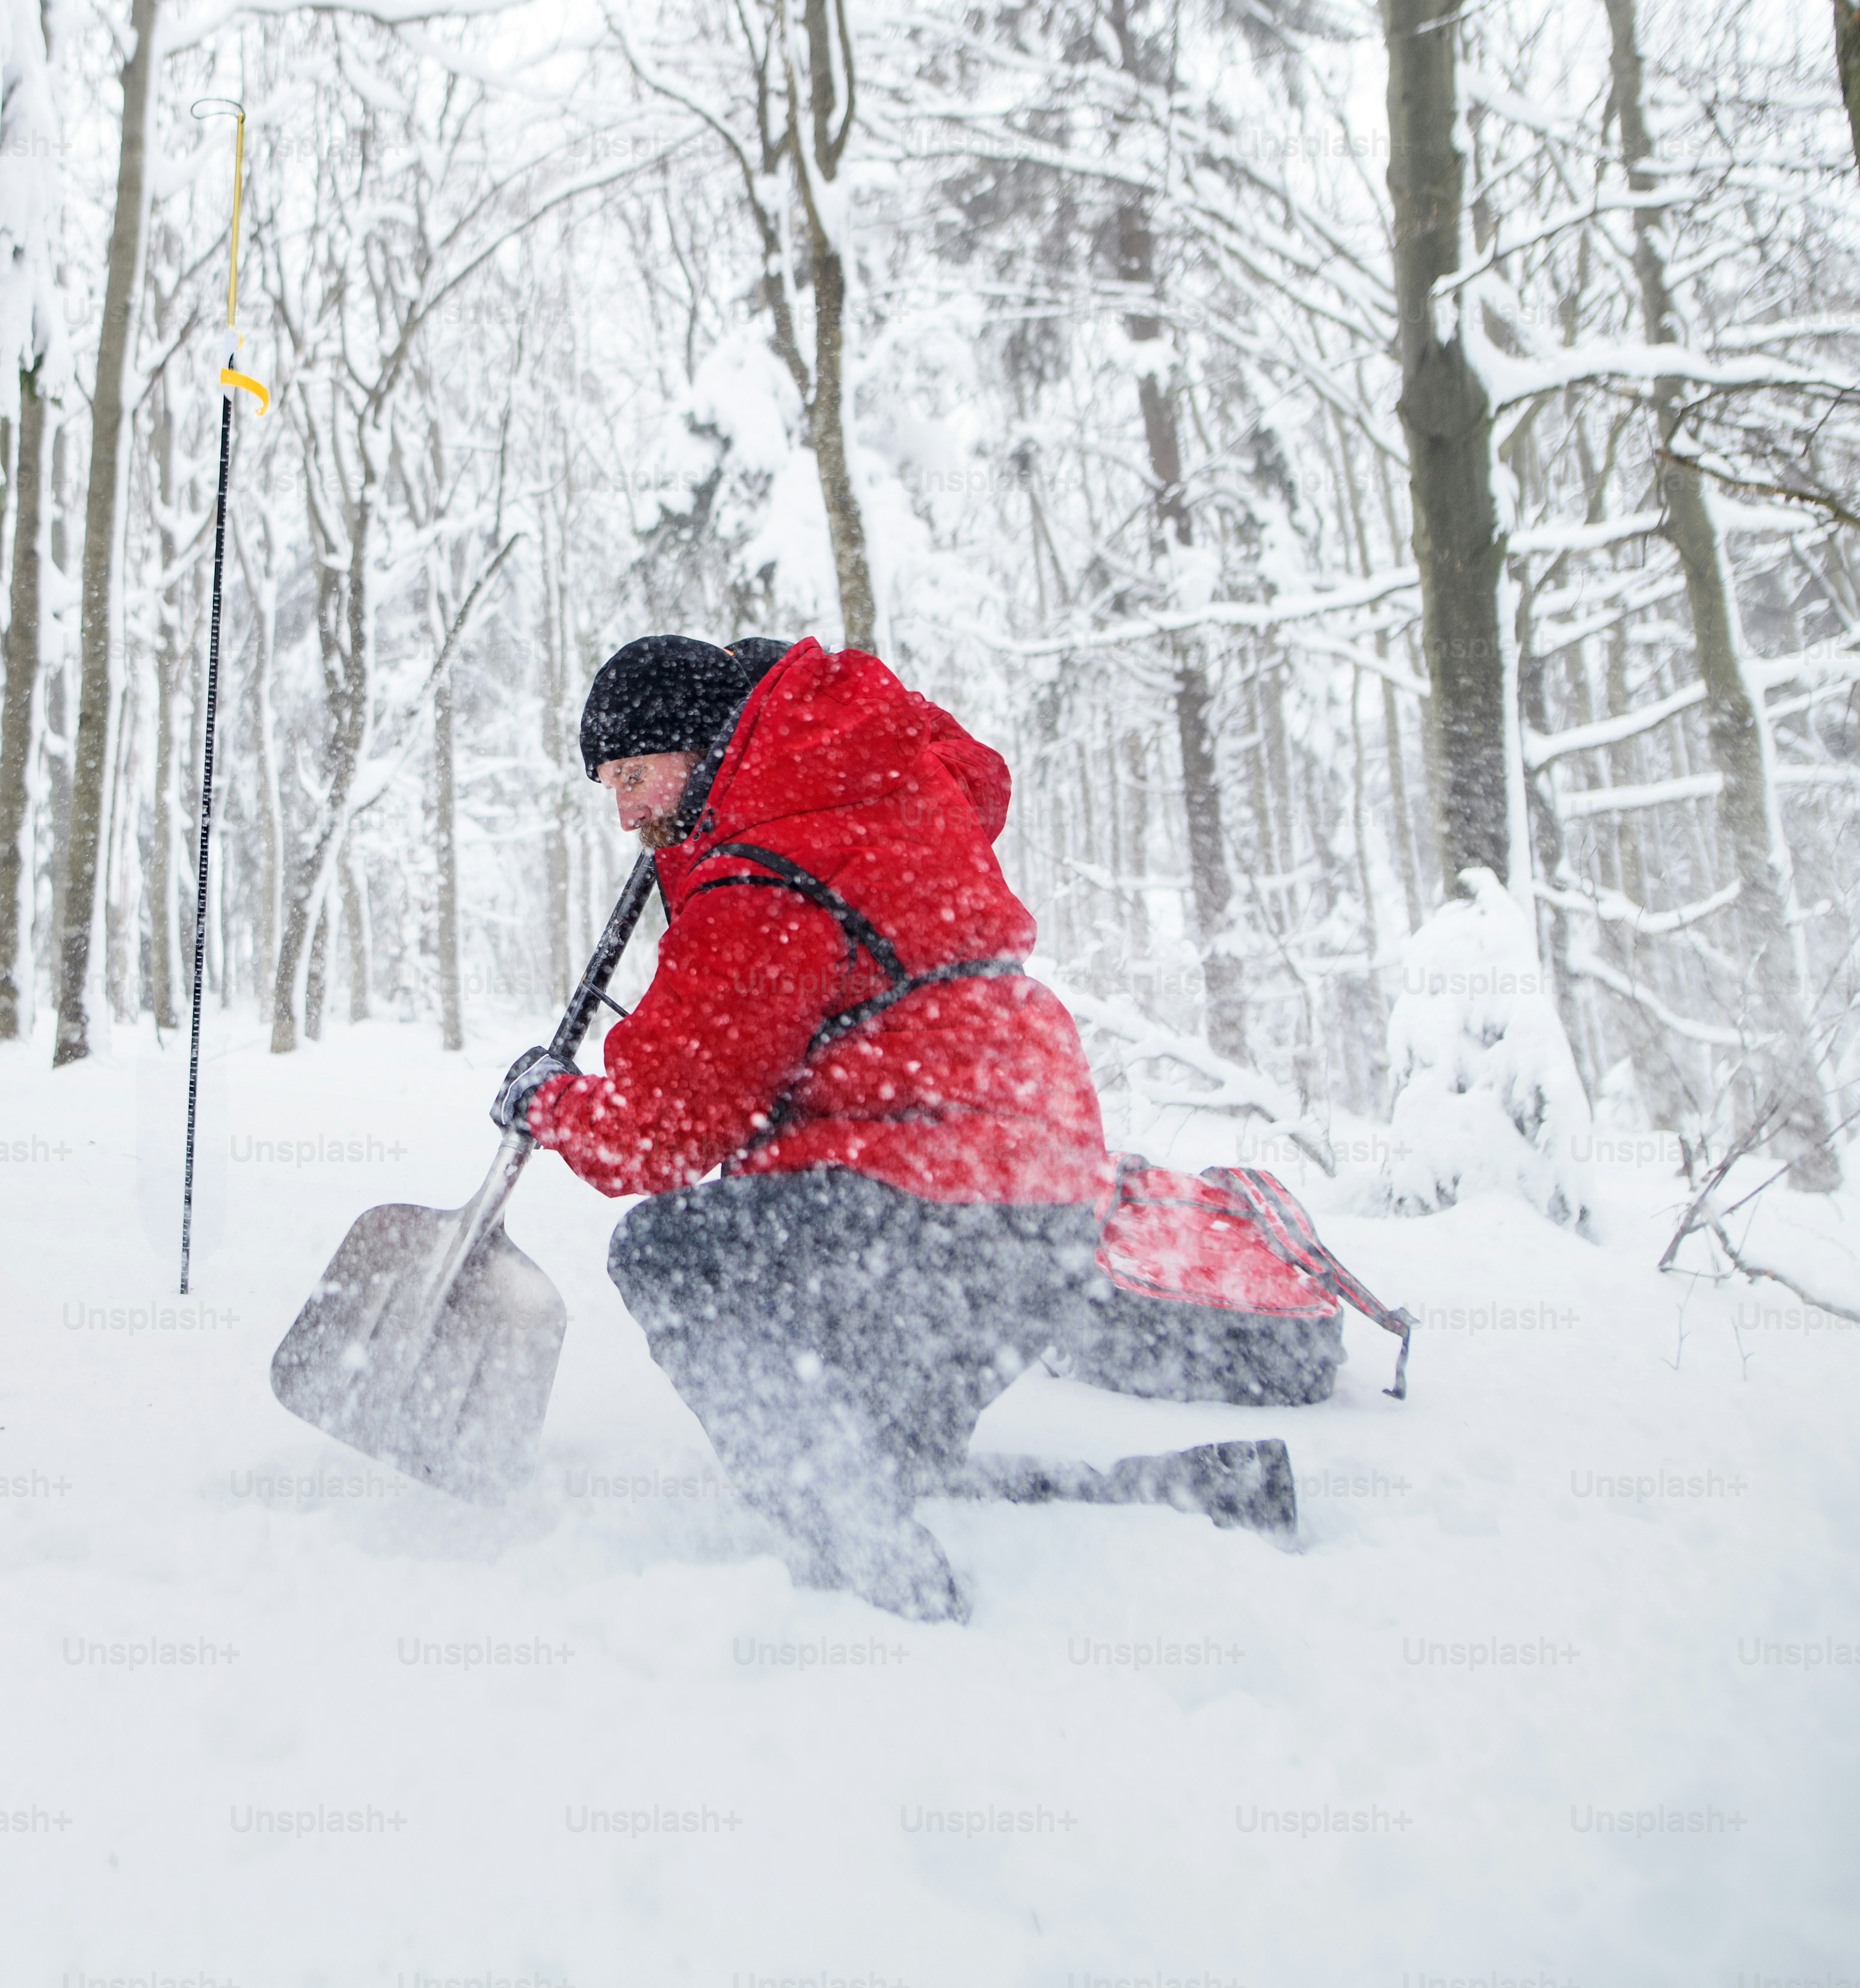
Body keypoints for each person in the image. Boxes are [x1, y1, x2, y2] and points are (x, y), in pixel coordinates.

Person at [492, 635, 1334, 1621]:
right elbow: (971, 774)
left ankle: (876, 1570)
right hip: (1046, 1214)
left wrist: (550, 1098)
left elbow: (664, 1135)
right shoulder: (869, 792)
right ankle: (1186, 1491)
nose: (628, 811)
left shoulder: (765, 864)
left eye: (637, 776)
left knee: (675, 1254)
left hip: (925, 1211)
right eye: (611, 789)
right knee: (892, 1462)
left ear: (702, 746)